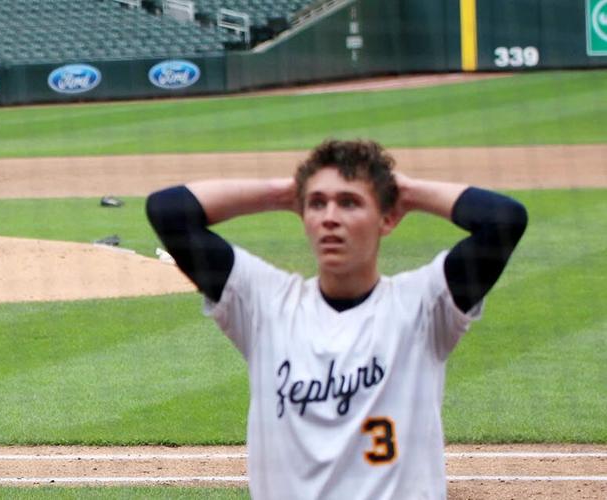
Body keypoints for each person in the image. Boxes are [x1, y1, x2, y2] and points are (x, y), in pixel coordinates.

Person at [144, 139, 528, 499]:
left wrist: (404, 192)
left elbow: (504, 220)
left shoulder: (423, 306)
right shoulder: (264, 305)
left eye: (349, 202)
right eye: (316, 204)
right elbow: (168, 211)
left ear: (388, 218)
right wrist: (286, 192)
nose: (330, 218)